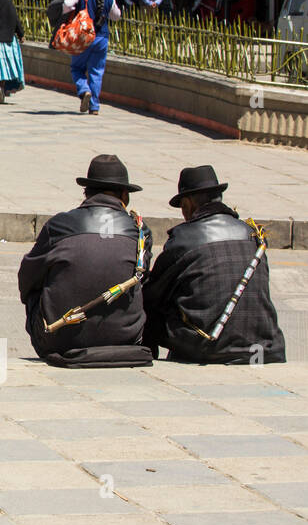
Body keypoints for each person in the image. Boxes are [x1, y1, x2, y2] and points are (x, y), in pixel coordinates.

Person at [19, 155, 153, 368]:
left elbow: (27, 279)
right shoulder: (139, 231)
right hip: (125, 339)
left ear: (86, 192)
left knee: (38, 285)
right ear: (125, 195)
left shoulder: (59, 224)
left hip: (60, 339)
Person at [144, 166, 286, 365]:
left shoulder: (184, 238)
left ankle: (146, 357)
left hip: (208, 347)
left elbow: (153, 295)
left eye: (182, 207)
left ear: (189, 203)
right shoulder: (252, 235)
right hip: (265, 347)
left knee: (148, 302)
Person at [62, 0, 121, 115]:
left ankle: (84, 90)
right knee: (96, 72)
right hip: (102, 38)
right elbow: (117, 16)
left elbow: (67, 4)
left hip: (83, 37)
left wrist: (72, 14)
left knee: (76, 68)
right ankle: (94, 106)